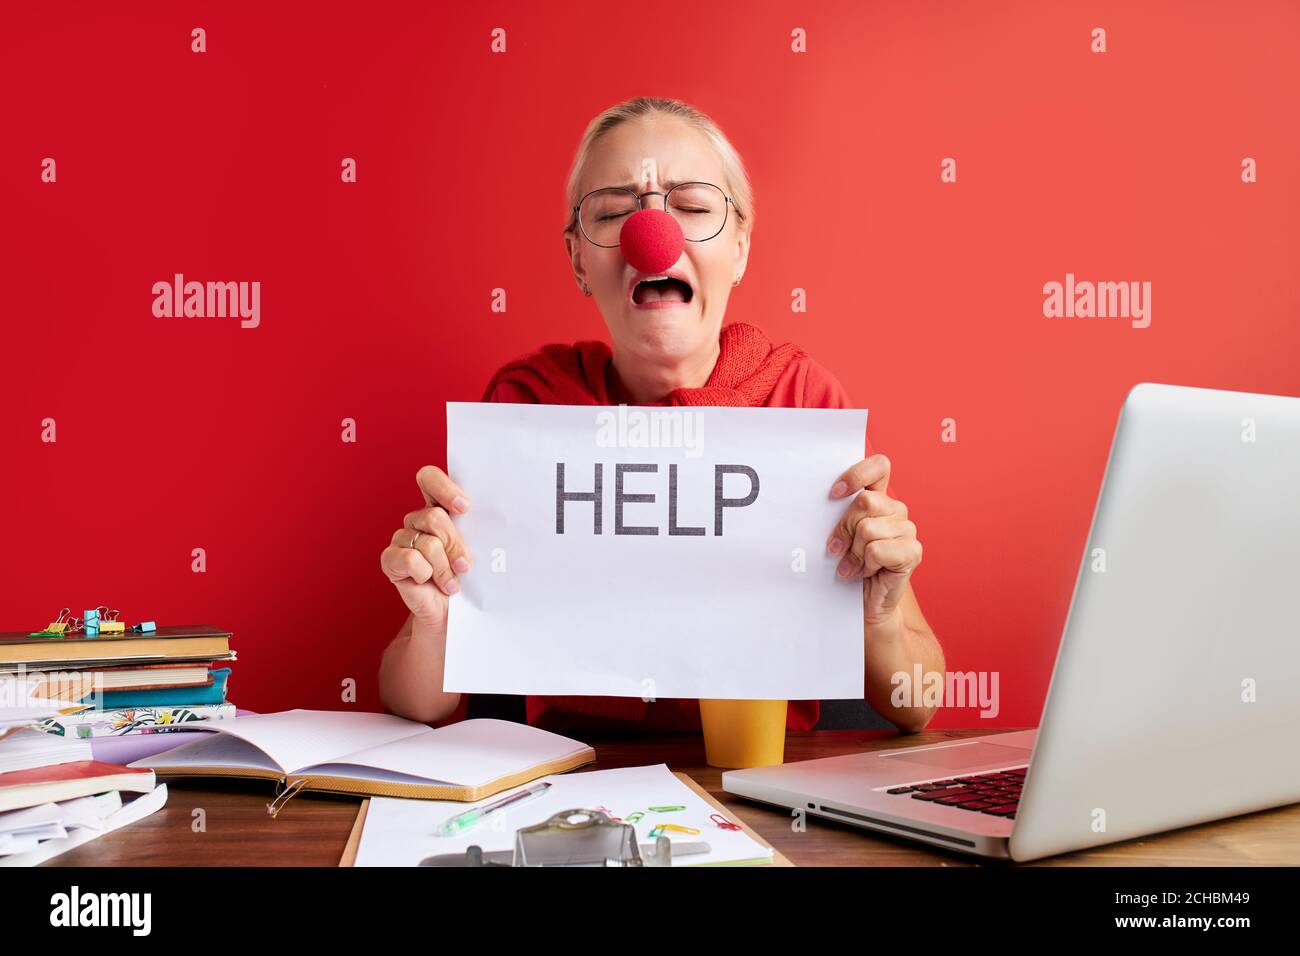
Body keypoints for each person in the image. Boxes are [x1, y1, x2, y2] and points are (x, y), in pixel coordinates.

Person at [379, 96, 945, 734]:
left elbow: (918, 703)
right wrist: (432, 619)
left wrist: (879, 618)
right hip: (558, 791)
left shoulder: (801, 402)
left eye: (694, 208)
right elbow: (415, 705)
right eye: (617, 212)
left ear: (740, 247)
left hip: (756, 792)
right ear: (577, 260)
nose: (654, 240)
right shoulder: (523, 409)